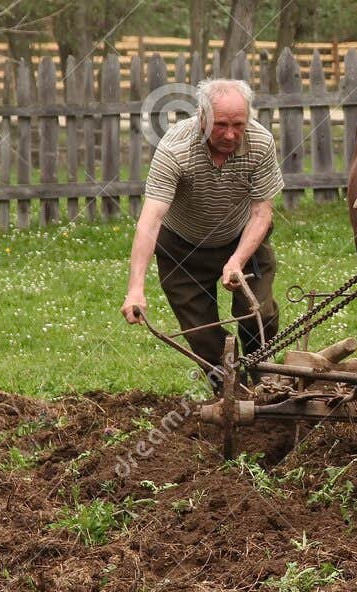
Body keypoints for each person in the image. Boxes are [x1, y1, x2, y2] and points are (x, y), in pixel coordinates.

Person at [121, 78, 283, 374]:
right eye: (221, 124)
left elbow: (261, 213)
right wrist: (136, 289)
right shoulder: (175, 148)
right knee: (201, 334)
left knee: (259, 314)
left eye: (239, 124)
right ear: (202, 115)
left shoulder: (261, 142)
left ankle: (264, 378)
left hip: (241, 238)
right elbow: (151, 219)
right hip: (182, 247)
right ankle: (229, 387)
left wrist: (237, 261)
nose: (231, 134)